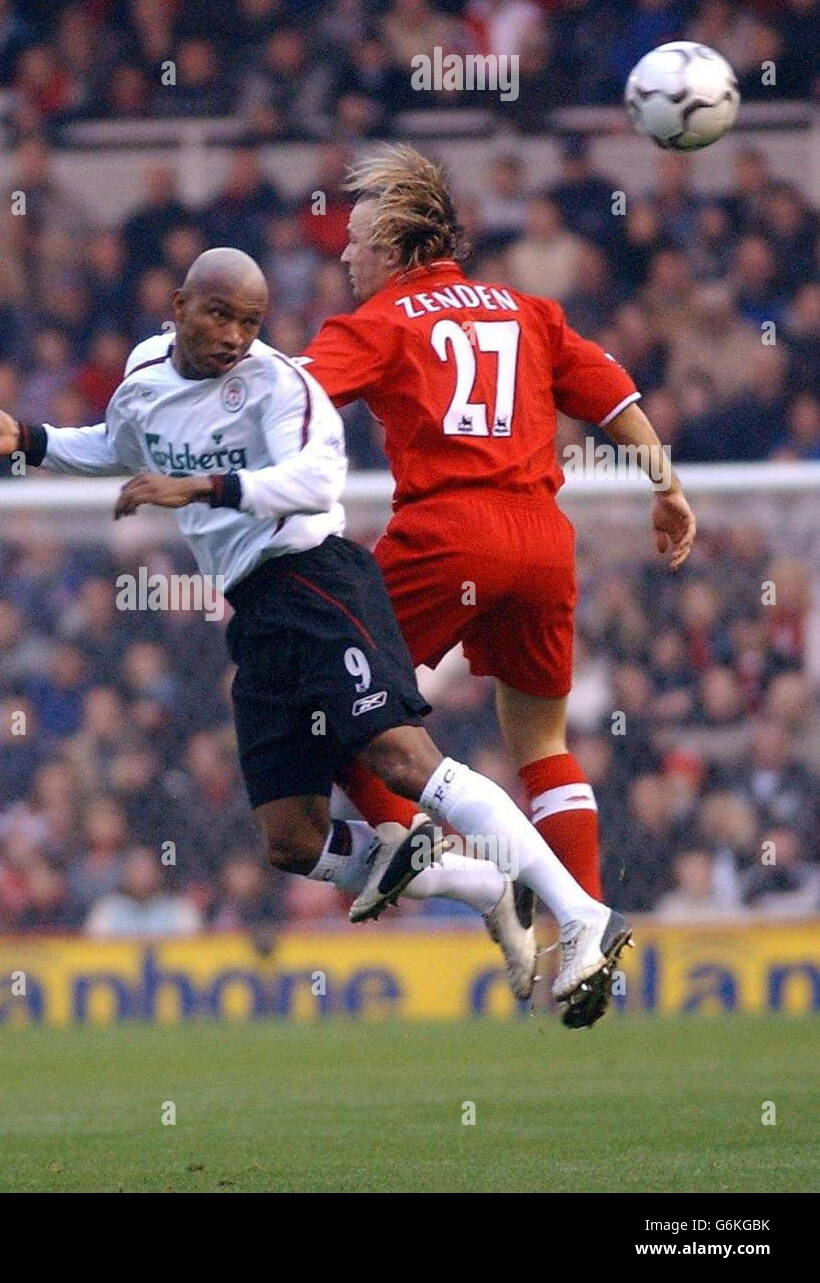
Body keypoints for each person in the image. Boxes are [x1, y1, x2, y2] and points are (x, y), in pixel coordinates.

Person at [0, 247, 633, 1027]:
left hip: (319, 581)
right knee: (291, 837)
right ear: (177, 305)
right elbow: (117, 445)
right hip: (256, 609)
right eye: (219, 315)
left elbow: (313, 482)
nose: (236, 335)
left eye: (250, 321)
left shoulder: (279, 384)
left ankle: (580, 914)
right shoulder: (143, 380)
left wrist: (208, 486)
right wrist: (29, 440)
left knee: (402, 758)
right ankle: (481, 885)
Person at [301, 146, 696, 972]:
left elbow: (296, 395)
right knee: (542, 741)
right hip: (544, 539)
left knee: (328, 689)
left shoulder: (383, 321)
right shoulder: (527, 310)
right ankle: (581, 930)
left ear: (403, 251)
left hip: (446, 532)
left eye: (359, 242)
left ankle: (402, 839)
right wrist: (665, 484)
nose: (344, 255)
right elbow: (611, 391)